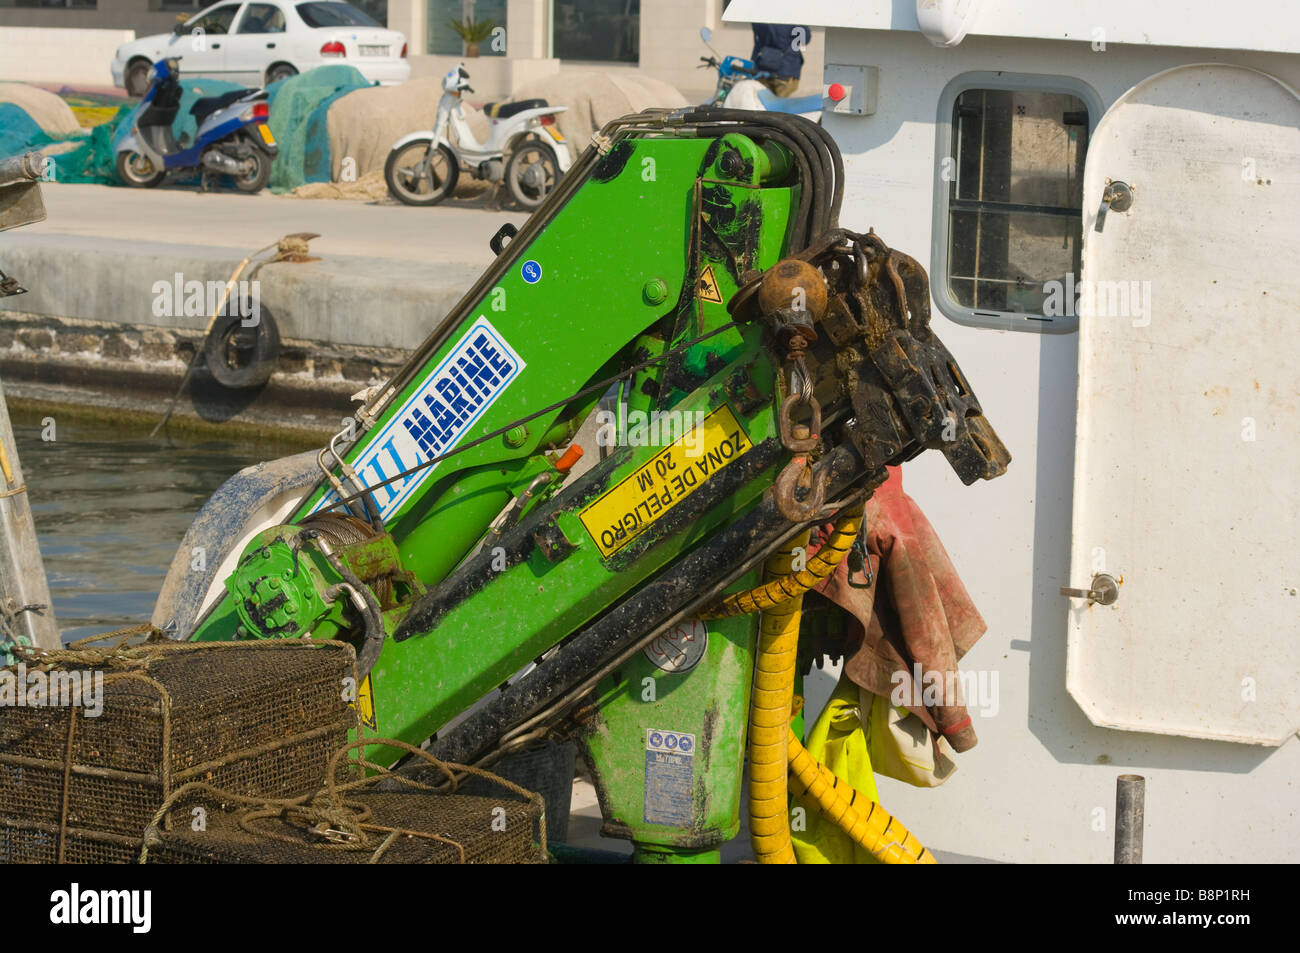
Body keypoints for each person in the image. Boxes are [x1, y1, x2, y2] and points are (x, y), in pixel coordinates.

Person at [750, 23, 811, 97]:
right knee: (780, 104)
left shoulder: (758, 15)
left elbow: (757, 39)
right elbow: (805, 38)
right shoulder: (793, 17)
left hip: (762, 66)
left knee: (762, 103)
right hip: (786, 69)